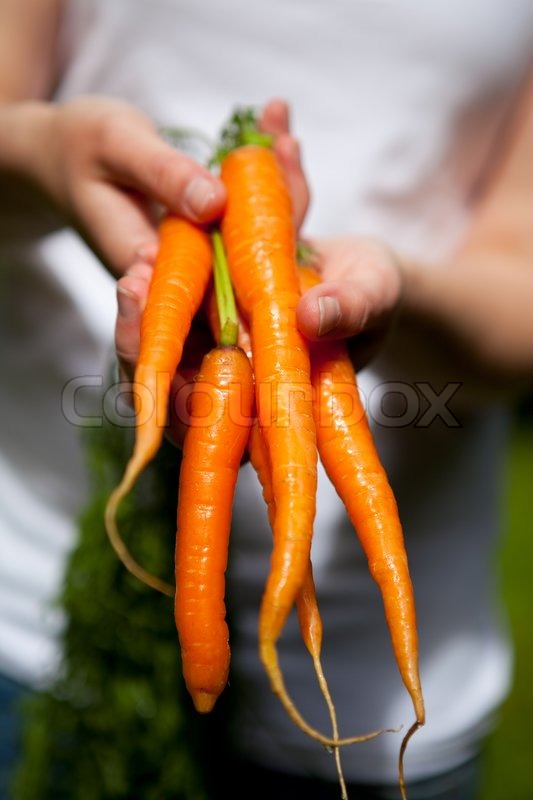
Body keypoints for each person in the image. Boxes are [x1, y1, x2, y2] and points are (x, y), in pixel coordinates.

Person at [1, 1, 533, 798]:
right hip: (32, 613)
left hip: (381, 690)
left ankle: (311, 653)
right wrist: (46, 156)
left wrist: (401, 288)